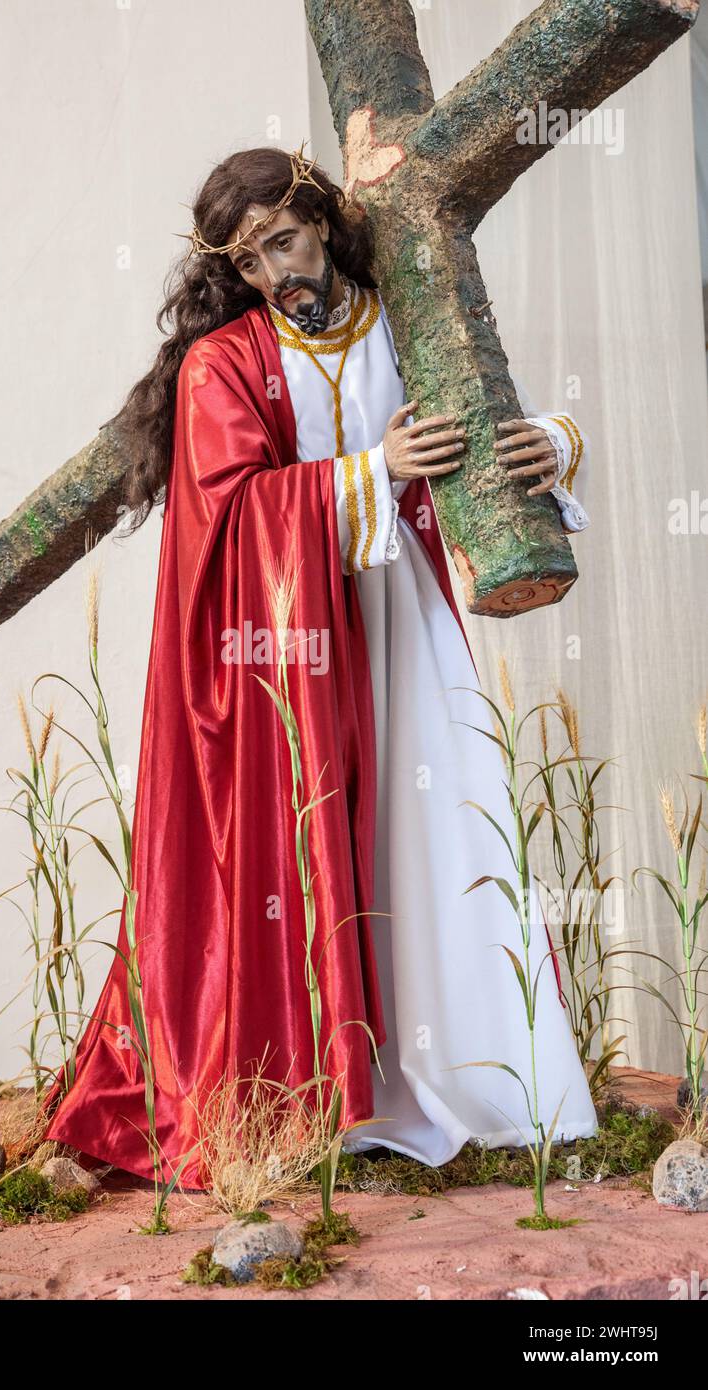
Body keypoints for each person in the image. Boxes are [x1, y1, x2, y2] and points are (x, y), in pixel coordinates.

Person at [39, 145, 597, 1188]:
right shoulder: (227, 364)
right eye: (248, 262)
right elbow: (230, 517)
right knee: (325, 852)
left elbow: (479, 427)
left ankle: (487, 1082)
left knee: (442, 833)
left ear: (323, 221)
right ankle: (337, 1096)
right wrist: (368, 471)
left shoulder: (408, 317)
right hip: (292, 661)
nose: (274, 274)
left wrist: (550, 443)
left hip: (409, 627)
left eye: (284, 243)